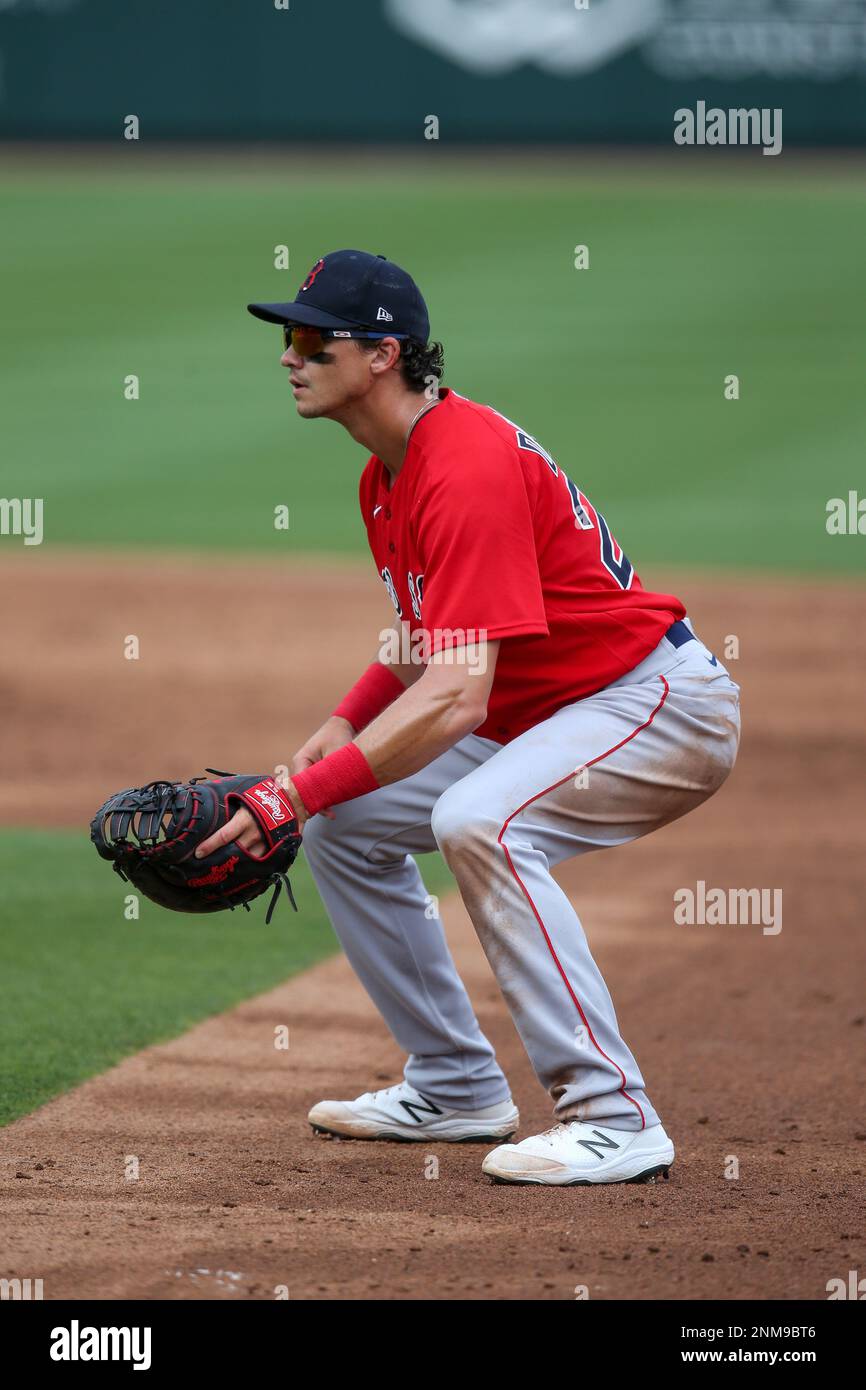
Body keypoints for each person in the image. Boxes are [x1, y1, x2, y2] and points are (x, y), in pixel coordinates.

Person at [197, 249, 741, 1186]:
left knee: (479, 819)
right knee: (346, 823)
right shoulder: (388, 477)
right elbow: (424, 636)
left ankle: (615, 1116)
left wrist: (296, 793)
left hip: (654, 703)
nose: (289, 356)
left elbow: (457, 694)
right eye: (288, 337)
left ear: (382, 353)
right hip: (557, 712)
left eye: (308, 336)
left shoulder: (465, 461)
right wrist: (337, 734)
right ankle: (454, 1084)